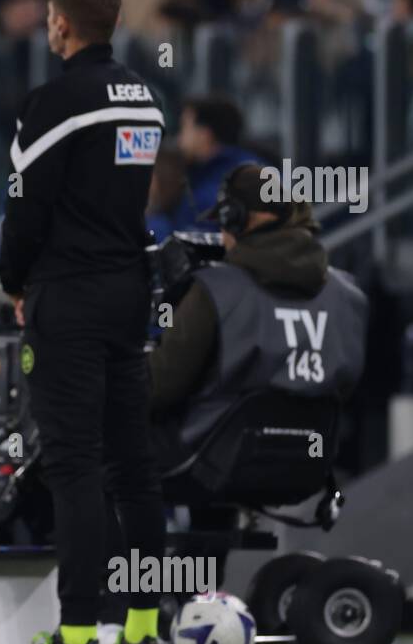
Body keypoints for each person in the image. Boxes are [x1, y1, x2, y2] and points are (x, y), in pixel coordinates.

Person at [0, 0, 167, 644]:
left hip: (69, 295)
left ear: (60, 23)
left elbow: (24, 211)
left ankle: (74, 639)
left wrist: (13, 281)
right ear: (114, 21)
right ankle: (142, 636)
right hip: (130, 292)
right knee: (135, 469)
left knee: (74, 467)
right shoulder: (145, 98)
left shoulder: (54, 101)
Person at [147, 163, 368, 476]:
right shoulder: (348, 295)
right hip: (309, 460)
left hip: (209, 460)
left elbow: (159, 385)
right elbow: (345, 384)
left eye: (223, 223)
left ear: (235, 219)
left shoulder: (216, 290)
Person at [175, 95, 261, 232]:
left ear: (204, 135)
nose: (179, 139)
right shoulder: (258, 167)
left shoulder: (209, 194)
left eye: (184, 128)